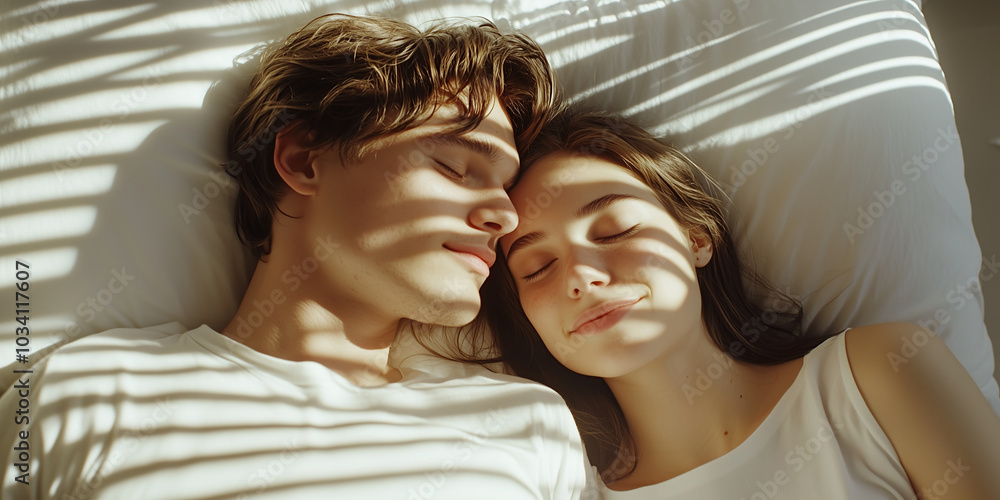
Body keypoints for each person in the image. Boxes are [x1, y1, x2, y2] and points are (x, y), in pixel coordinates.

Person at [0, 14, 589, 499]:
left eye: (505, 189)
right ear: (305, 161)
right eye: (456, 167)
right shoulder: (90, 394)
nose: (505, 216)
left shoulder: (527, 424)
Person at [475, 110, 1000, 498]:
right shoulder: (570, 491)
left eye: (615, 231)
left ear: (697, 238)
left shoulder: (878, 371)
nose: (582, 278)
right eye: (537, 268)